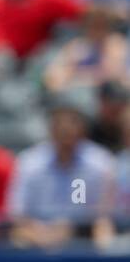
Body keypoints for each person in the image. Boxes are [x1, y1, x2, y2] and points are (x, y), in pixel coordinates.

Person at [8, 98, 117, 248]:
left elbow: (103, 216)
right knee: (18, 238)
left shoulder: (100, 163)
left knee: (107, 239)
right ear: (50, 127)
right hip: (37, 235)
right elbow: (18, 215)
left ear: (83, 128)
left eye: (73, 121)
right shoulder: (29, 163)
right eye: (59, 122)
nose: (66, 128)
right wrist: (45, 235)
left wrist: (74, 232)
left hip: (85, 235)